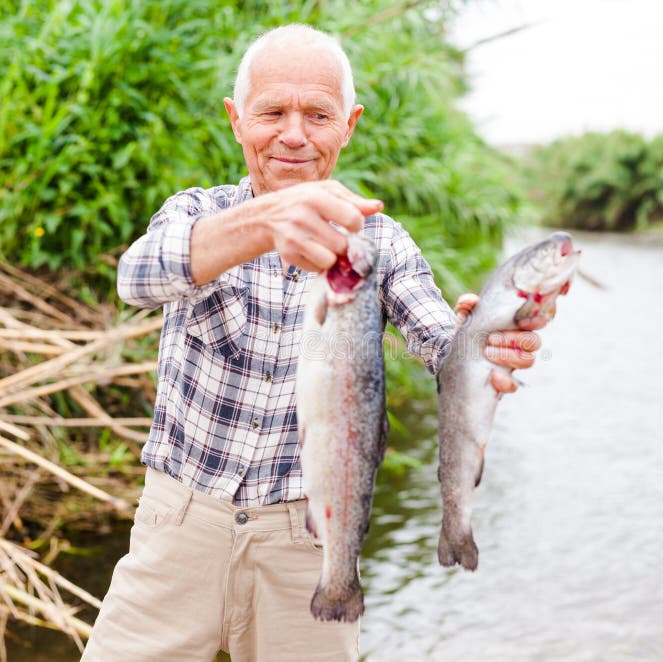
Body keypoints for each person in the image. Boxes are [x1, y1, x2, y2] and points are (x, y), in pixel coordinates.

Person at [82, 24, 544, 662]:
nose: (293, 134)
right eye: (272, 112)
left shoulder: (380, 243)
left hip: (311, 542)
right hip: (177, 530)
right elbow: (134, 278)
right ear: (236, 119)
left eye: (317, 115)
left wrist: (484, 342)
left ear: (348, 125)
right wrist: (266, 223)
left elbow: (442, 346)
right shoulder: (196, 212)